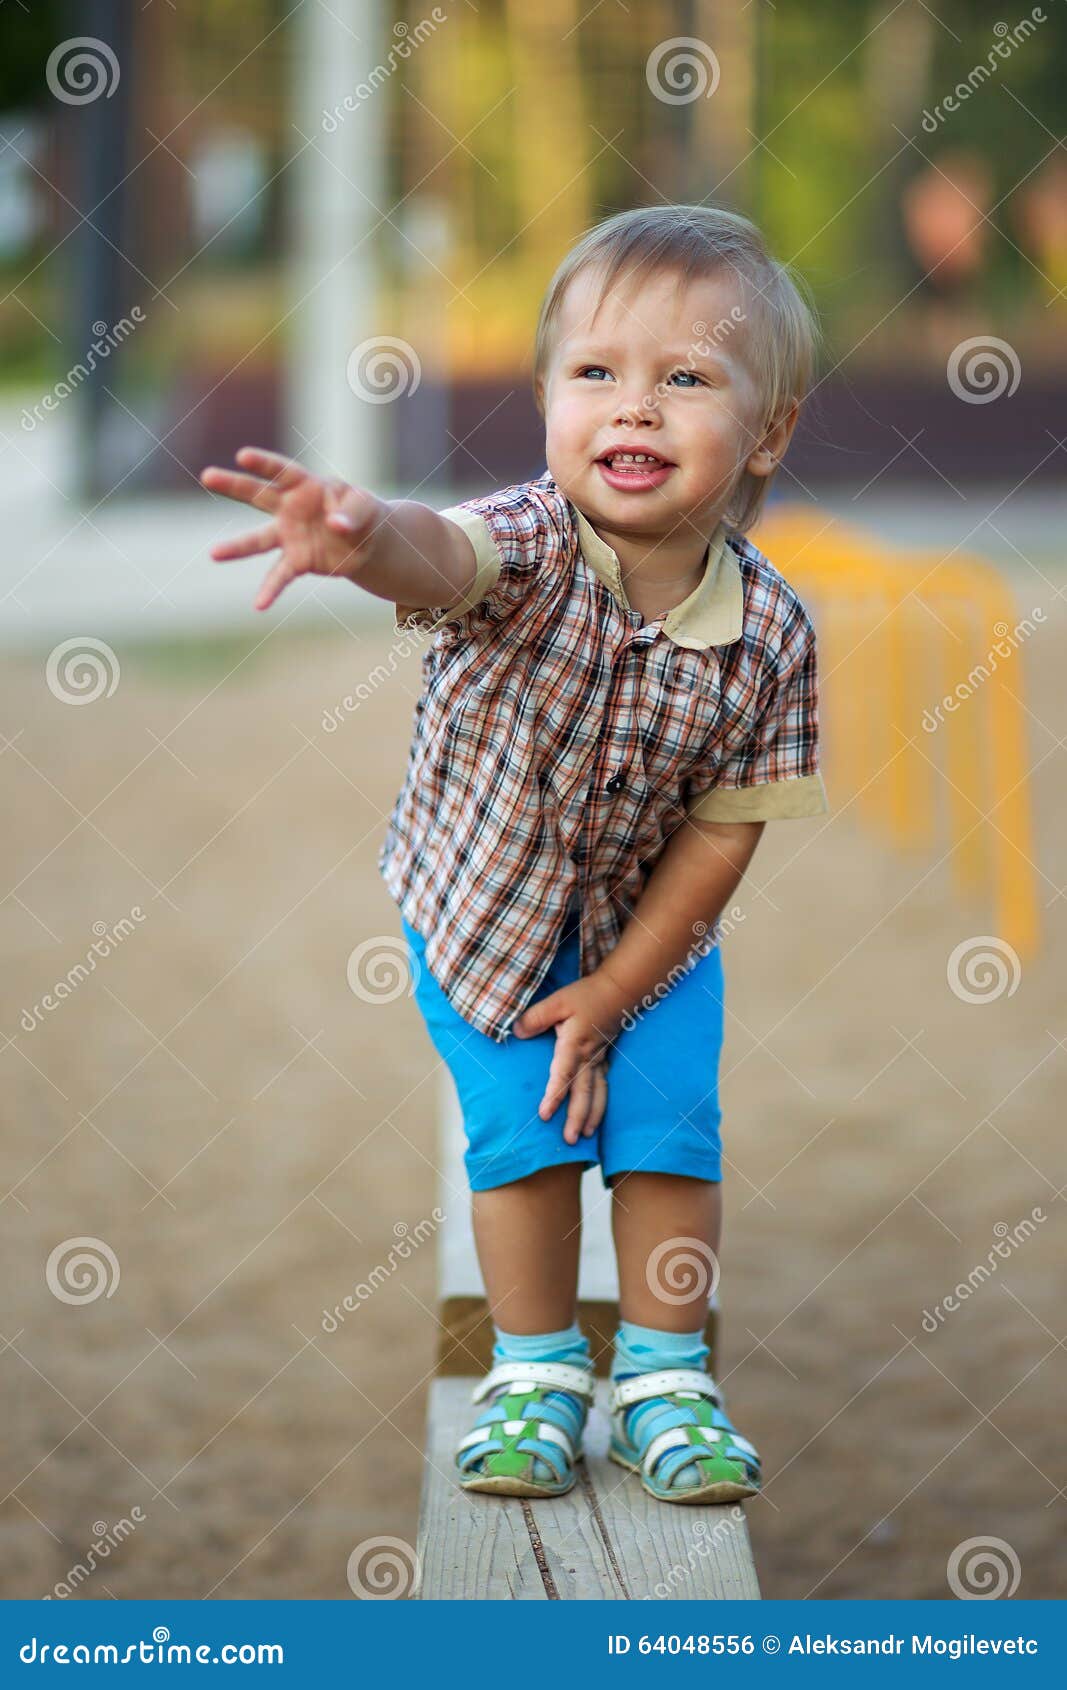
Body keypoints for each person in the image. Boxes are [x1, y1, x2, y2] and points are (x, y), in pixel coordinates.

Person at [200, 203, 828, 1507]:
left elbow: (723, 839)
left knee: (670, 1138)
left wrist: (618, 990)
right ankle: (536, 1366)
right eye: (596, 373)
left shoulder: (773, 630)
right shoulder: (527, 545)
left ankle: (665, 1377)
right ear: (547, 399)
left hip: (652, 931)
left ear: (767, 430)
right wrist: (366, 537)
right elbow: (438, 551)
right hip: (487, 916)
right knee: (528, 1136)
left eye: (686, 378)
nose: (633, 410)